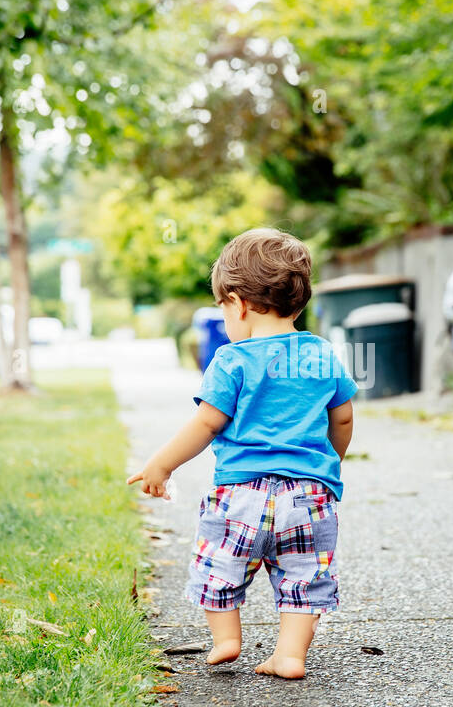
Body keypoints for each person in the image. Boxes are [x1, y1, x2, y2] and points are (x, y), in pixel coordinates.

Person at [129, 228, 357, 677]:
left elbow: (206, 423)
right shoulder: (320, 353)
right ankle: (290, 655)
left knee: (219, 567)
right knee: (303, 579)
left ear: (238, 302)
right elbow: (343, 419)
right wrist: (328, 464)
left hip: (241, 496)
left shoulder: (232, 360)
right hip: (310, 499)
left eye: (222, 308)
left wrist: (162, 464)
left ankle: (226, 639)